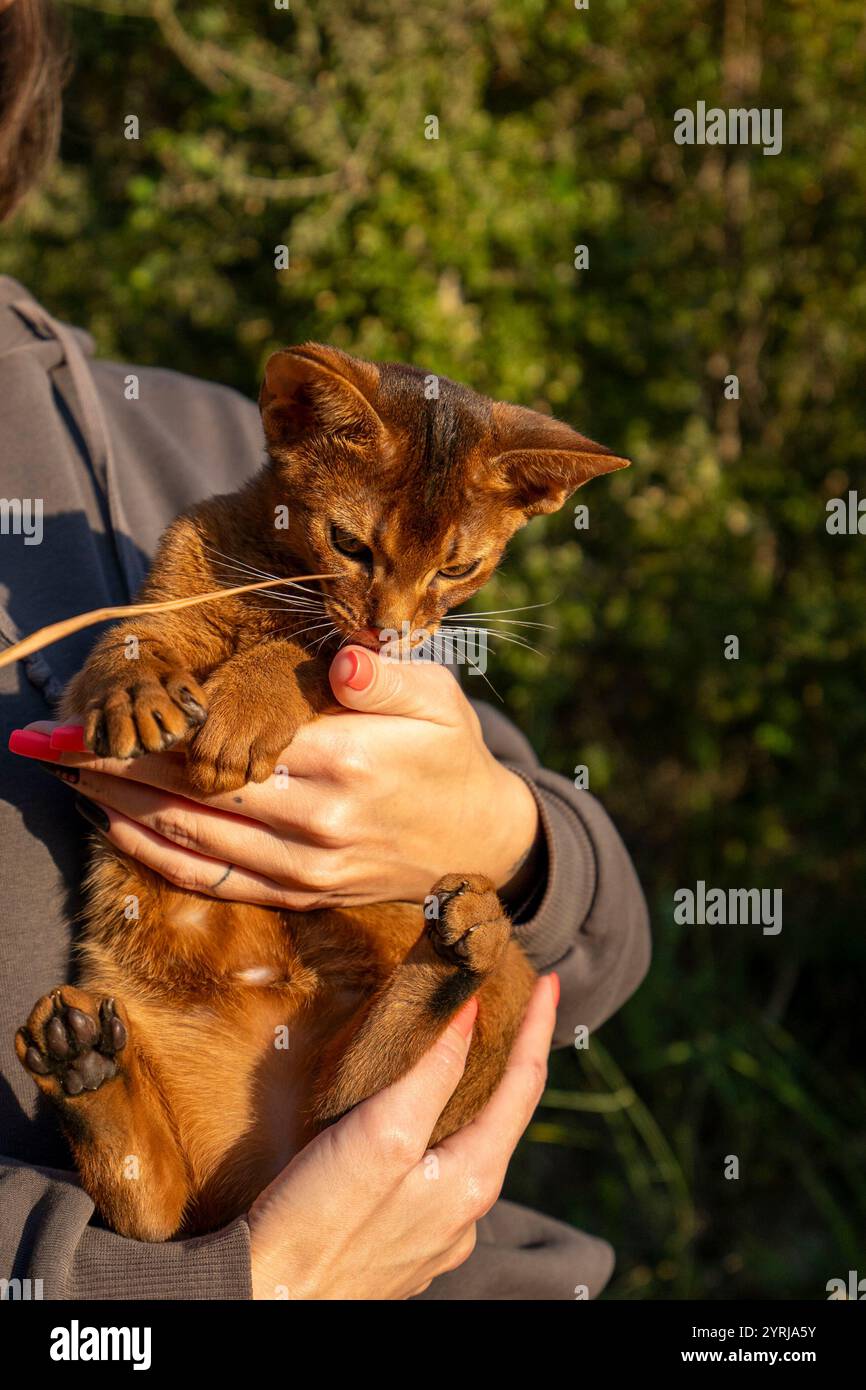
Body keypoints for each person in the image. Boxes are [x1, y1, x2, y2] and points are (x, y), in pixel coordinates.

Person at [0, 0, 650, 1299]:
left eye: (447, 579)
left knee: (469, 980)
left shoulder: (183, 432)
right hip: (156, 1216)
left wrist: (502, 832)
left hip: (468, 1254)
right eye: (365, 562)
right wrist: (243, 1284)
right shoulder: (229, 520)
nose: (395, 617)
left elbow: (599, 943)